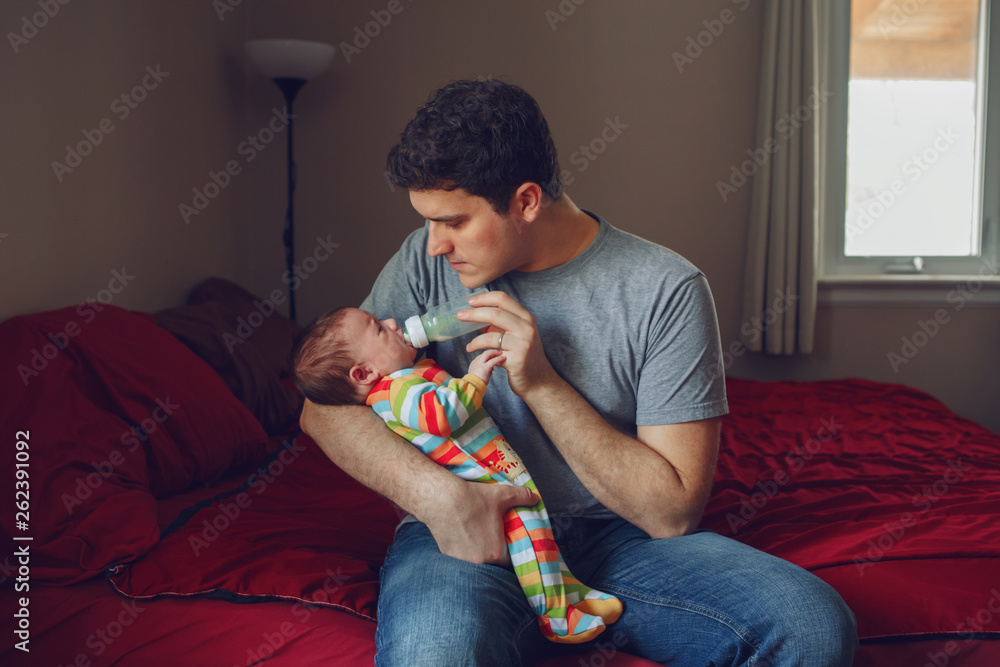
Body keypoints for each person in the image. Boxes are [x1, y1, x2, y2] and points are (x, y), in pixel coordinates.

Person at [299, 78, 859, 666]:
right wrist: (441, 500)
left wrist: (540, 383)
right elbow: (324, 409)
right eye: (428, 222)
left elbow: (670, 511)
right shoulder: (422, 259)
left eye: (454, 221)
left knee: (812, 624)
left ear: (526, 201)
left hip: (621, 539)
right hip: (474, 530)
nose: (435, 244)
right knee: (437, 655)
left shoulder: (665, 290)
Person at [291, 306, 623, 643]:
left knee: (542, 537)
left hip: (498, 468)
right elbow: (442, 416)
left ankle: (574, 594)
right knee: (532, 543)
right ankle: (556, 618)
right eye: (378, 328)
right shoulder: (395, 392)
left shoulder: (407, 378)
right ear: (364, 374)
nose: (392, 322)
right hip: (487, 484)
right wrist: (476, 376)